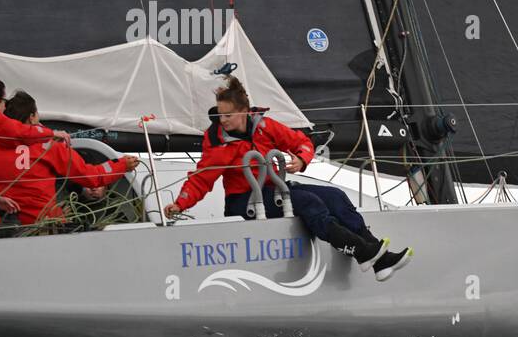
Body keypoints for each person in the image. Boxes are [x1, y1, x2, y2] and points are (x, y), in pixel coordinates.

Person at [164, 76, 411, 282]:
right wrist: (180, 204)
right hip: (243, 201)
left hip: (275, 190)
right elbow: (200, 180)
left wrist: (302, 159)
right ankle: (361, 251)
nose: (222, 120)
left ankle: (377, 257)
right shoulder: (216, 142)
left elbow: (302, 142)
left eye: (227, 115)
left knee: (336, 196)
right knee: (308, 201)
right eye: (219, 116)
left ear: (244, 112)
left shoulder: (264, 126)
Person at [0, 91, 138, 232]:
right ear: (32, 117)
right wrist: (121, 164)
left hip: (3, 229)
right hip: (43, 226)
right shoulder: (48, 145)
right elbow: (90, 177)